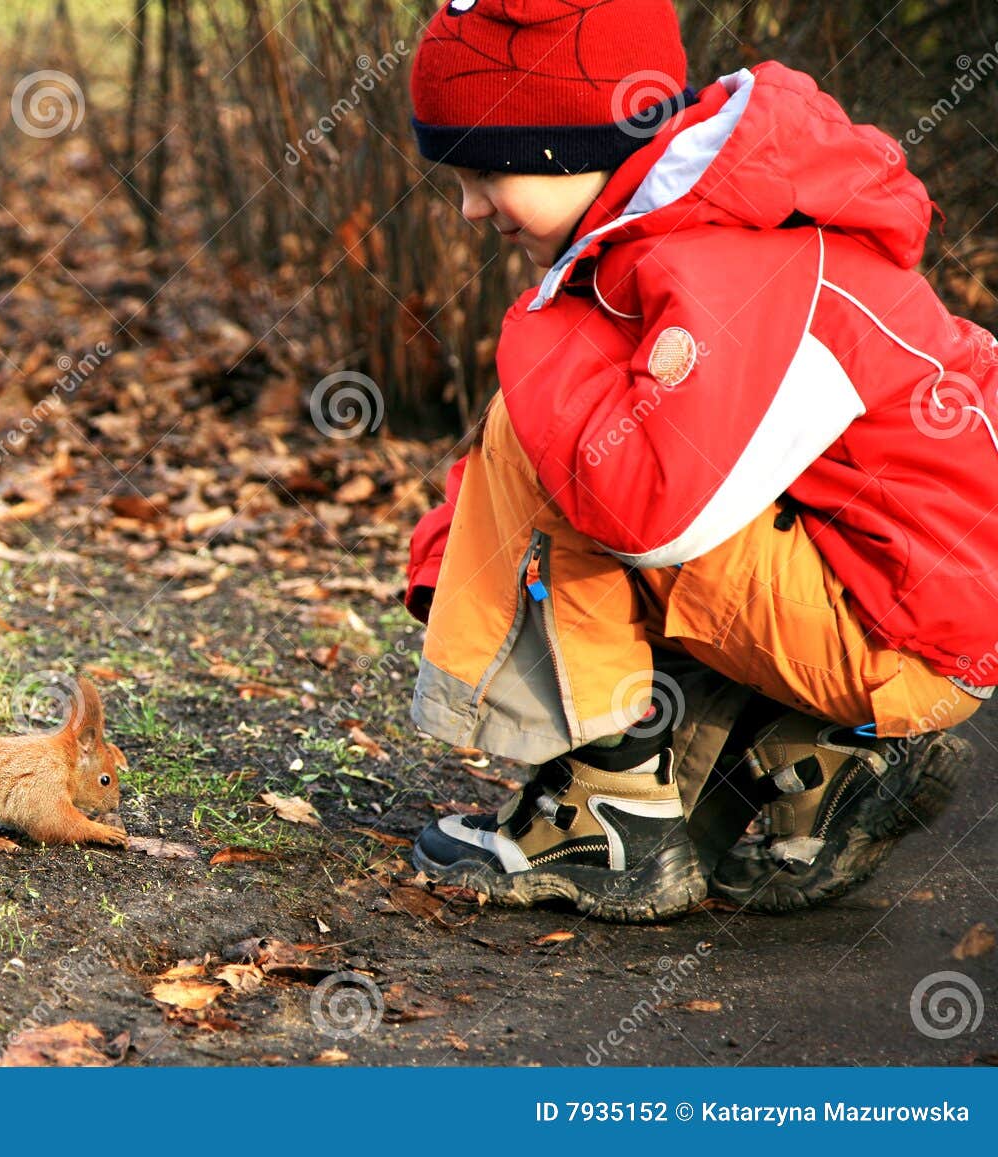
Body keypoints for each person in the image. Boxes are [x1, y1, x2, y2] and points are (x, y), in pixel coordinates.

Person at [401, 0, 996, 922]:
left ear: (566, 140)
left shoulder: (722, 261)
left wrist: (536, 344)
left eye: (485, 171)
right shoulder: (709, 216)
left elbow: (653, 515)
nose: (471, 207)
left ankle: (612, 814)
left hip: (900, 630)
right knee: (572, 430)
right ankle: (811, 763)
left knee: (561, 434)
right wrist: (460, 558)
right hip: (900, 604)